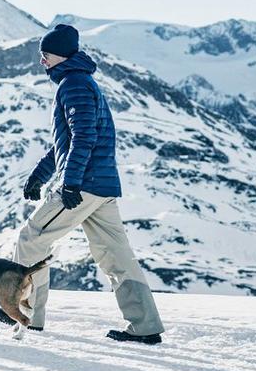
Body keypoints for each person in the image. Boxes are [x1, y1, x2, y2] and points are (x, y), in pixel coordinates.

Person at [11, 24, 166, 344]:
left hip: (83, 183)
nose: (42, 61)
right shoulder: (81, 81)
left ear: (60, 55)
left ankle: (26, 313)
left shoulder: (73, 84)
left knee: (32, 237)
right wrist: (40, 175)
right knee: (117, 256)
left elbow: (84, 137)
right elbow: (64, 143)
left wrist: (70, 183)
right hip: (102, 186)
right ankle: (145, 325)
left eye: (45, 55)